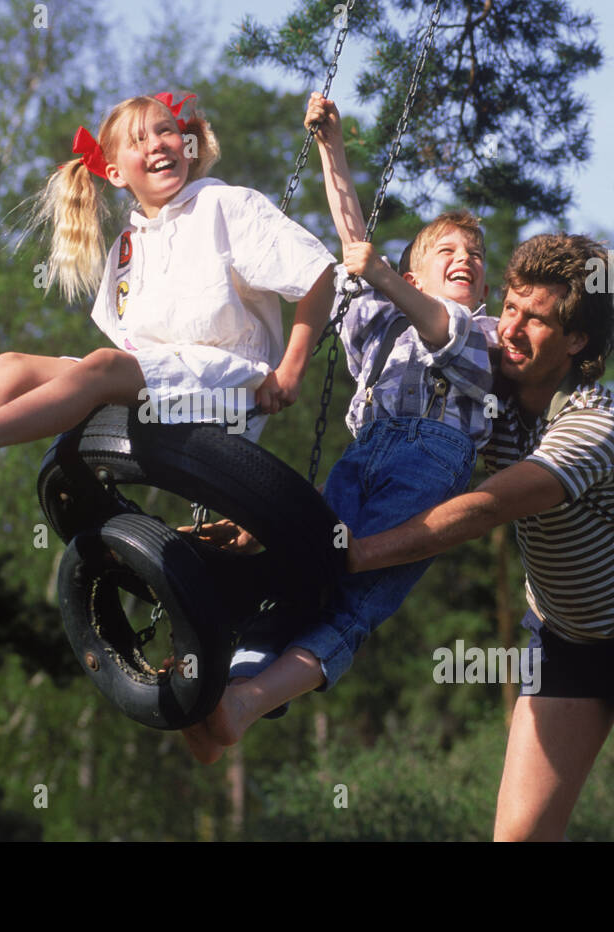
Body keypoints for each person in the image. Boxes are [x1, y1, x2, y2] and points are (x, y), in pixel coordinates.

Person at [346, 231, 614, 841]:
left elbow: (481, 511)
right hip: (563, 640)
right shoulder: (484, 392)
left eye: (536, 319)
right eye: (509, 308)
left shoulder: (598, 423)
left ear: (576, 339)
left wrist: (353, 556)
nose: (511, 329)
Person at [0, 93, 336, 518]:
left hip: (229, 395)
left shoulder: (224, 205)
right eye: (139, 141)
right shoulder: (129, 250)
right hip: (167, 392)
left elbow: (319, 273)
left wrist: (289, 371)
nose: (158, 144)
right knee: (14, 367)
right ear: (115, 173)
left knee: (102, 366)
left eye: (166, 132)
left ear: (187, 144)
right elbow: (136, 354)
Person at [181, 93, 497, 764]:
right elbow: (355, 242)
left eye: (474, 254)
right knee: (302, 574)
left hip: (431, 463)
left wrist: (382, 272)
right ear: (415, 270)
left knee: (353, 602)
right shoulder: (383, 319)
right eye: (447, 249)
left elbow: (437, 326)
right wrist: (333, 148)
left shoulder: (482, 332)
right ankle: (231, 691)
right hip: (365, 454)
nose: (464, 257)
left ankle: (247, 698)